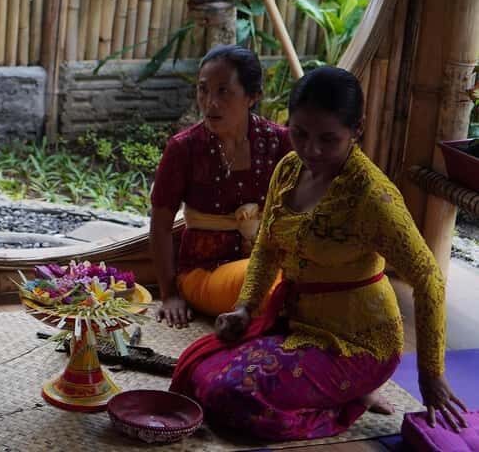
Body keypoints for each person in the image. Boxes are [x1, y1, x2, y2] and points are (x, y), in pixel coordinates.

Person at [170, 66, 467, 441]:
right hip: (297, 326)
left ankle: (348, 400)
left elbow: (428, 278)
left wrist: (431, 373)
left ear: (356, 130)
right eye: (299, 134)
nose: (311, 150)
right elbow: (267, 247)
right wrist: (246, 308)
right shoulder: (289, 169)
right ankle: (339, 392)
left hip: (360, 343)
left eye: (329, 139)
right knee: (197, 371)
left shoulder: (372, 197)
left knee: (230, 398)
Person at [151, 45, 291, 325]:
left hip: (268, 262)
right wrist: (169, 294)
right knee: (275, 285)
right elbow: (161, 225)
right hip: (205, 272)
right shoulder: (184, 149)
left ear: (252, 96)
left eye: (223, 91)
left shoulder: (279, 142)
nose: (210, 102)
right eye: (203, 90)